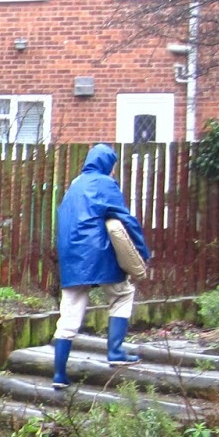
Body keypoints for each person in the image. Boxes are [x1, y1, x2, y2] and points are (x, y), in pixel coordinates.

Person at [51, 142, 151, 387]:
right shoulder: (105, 184)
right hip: (100, 251)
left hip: (71, 254)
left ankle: (59, 375)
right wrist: (142, 251)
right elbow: (124, 219)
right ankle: (115, 352)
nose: (114, 171)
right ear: (107, 164)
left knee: (70, 313)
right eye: (113, 166)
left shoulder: (73, 186)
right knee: (122, 294)